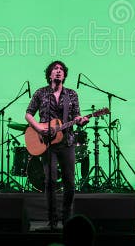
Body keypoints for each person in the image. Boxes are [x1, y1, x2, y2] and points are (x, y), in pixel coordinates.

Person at [25, 60, 89, 229]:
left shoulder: (72, 95)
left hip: (67, 142)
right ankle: (52, 221)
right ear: (50, 74)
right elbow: (29, 114)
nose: (58, 71)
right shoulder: (40, 93)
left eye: (61, 69)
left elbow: (76, 116)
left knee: (70, 182)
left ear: (64, 75)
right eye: (55, 69)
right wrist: (39, 128)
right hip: (47, 144)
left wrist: (81, 121)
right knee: (50, 181)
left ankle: (67, 220)